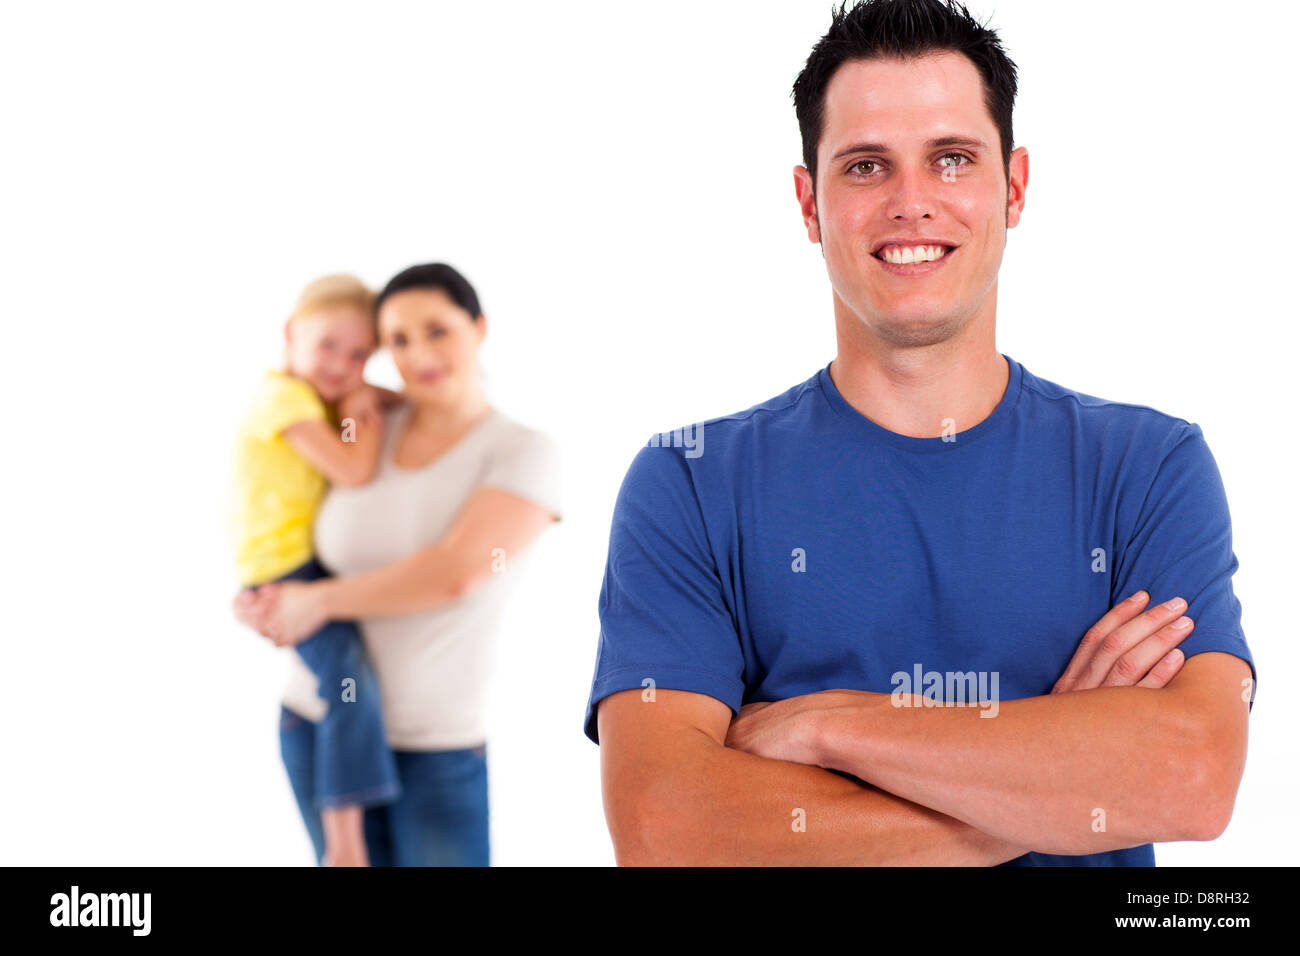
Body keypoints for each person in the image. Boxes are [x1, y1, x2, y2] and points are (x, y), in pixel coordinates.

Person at [585, 0, 1255, 866]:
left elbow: (1193, 779)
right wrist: (1057, 767)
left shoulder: (1149, 468)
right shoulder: (689, 482)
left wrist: (833, 727)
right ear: (808, 201)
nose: (912, 203)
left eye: (951, 159)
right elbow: (665, 828)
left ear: (1013, 187)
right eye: (866, 167)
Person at [240, 263, 562, 866]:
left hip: (434, 748)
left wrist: (317, 602)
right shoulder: (364, 430)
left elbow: (455, 573)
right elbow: (285, 519)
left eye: (437, 330)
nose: (420, 354)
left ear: (479, 327)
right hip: (316, 721)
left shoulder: (522, 452)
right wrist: (263, 596)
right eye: (399, 340)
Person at [230, 273, 401, 868]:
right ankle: (345, 844)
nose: (342, 364)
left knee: (349, 680)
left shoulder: (308, 397)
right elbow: (353, 470)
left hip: (296, 565)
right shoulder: (284, 401)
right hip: (286, 571)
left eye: (359, 355)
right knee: (349, 685)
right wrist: (363, 406)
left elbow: (392, 401)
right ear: (290, 334)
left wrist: (368, 395)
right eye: (328, 345)